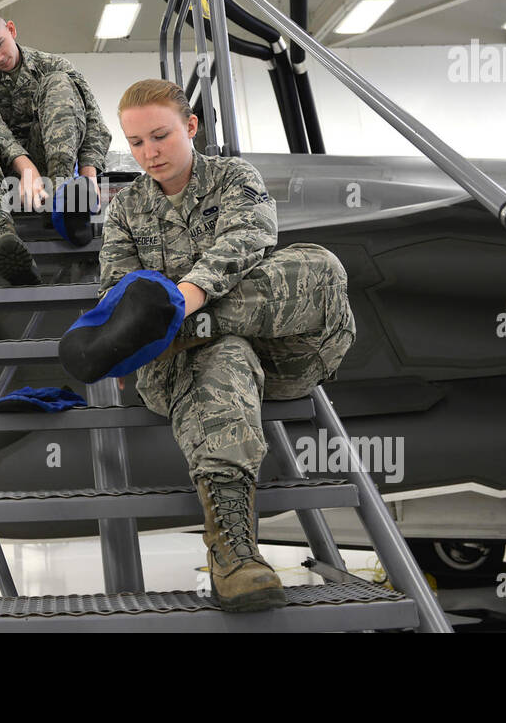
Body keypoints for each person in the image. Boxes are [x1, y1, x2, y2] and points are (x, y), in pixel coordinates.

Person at [68, 78, 356, 612]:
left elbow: (247, 238)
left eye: (160, 136)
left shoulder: (233, 178)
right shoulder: (126, 209)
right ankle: (235, 555)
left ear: (191, 126)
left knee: (319, 267)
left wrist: (177, 305)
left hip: (281, 350)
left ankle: (175, 324)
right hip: (183, 371)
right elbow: (118, 287)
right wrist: (137, 318)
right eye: (135, 143)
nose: (149, 153)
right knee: (225, 352)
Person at [0, 8, 111, 284]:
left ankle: (64, 199)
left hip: (56, 166)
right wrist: (25, 168)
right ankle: (7, 241)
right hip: (1, 175)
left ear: (11, 29)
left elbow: (94, 123)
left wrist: (89, 174)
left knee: (58, 84)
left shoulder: (55, 66)